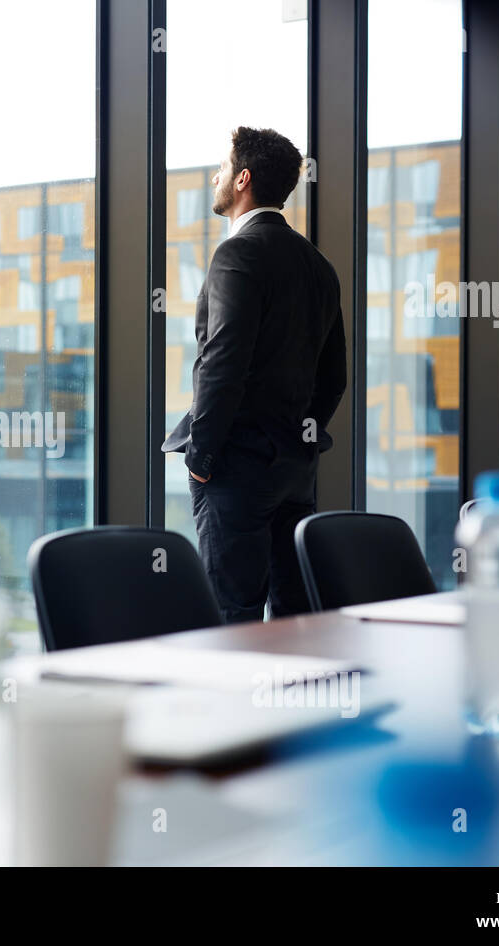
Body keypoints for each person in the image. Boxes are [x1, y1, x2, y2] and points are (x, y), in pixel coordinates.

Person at [162, 126, 345, 622]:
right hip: (295, 472)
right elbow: (335, 378)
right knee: (292, 618)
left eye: (223, 168)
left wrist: (201, 456)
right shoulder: (318, 266)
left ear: (242, 179)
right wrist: (299, 437)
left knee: (232, 615)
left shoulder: (237, 254)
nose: (216, 177)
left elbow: (222, 365)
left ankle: (236, 703)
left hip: (237, 469)